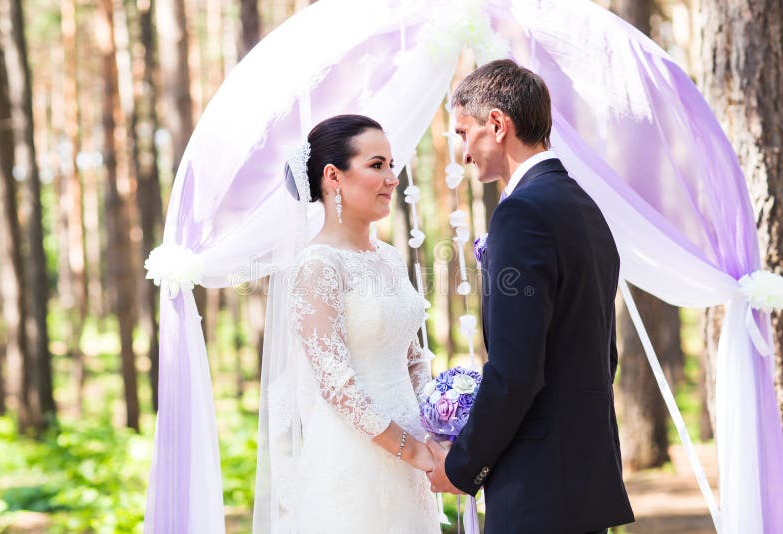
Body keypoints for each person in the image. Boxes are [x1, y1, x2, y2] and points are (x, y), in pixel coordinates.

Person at [426, 59, 635, 534]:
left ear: (497, 125)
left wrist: (462, 467)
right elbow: (604, 355)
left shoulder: (522, 214)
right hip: (583, 477)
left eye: (463, 132)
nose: (462, 152)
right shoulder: (583, 207)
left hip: (536, 487)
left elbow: (516, 371)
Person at [255, 114, 440, 533]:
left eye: (392, 165)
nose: (392, 178)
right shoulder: (317, 266)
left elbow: (413, 358)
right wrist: (412, 451)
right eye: (377, 165)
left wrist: (437, 424)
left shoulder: (390, 258)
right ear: (333, 177)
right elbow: (337, 385)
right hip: (355, 460)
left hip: (413, 454)